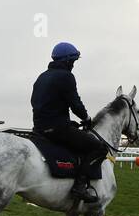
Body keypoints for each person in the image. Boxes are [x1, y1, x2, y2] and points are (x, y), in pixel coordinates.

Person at [31, 41, 107, 202]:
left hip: (38, 129)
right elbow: (75, 104)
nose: (73, 65)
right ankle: (79, 187)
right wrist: (86, 118)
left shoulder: (41, 77)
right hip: (57, 129)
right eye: (72, 61)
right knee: (99, 147)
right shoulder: (66, 76)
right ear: (66, 61)